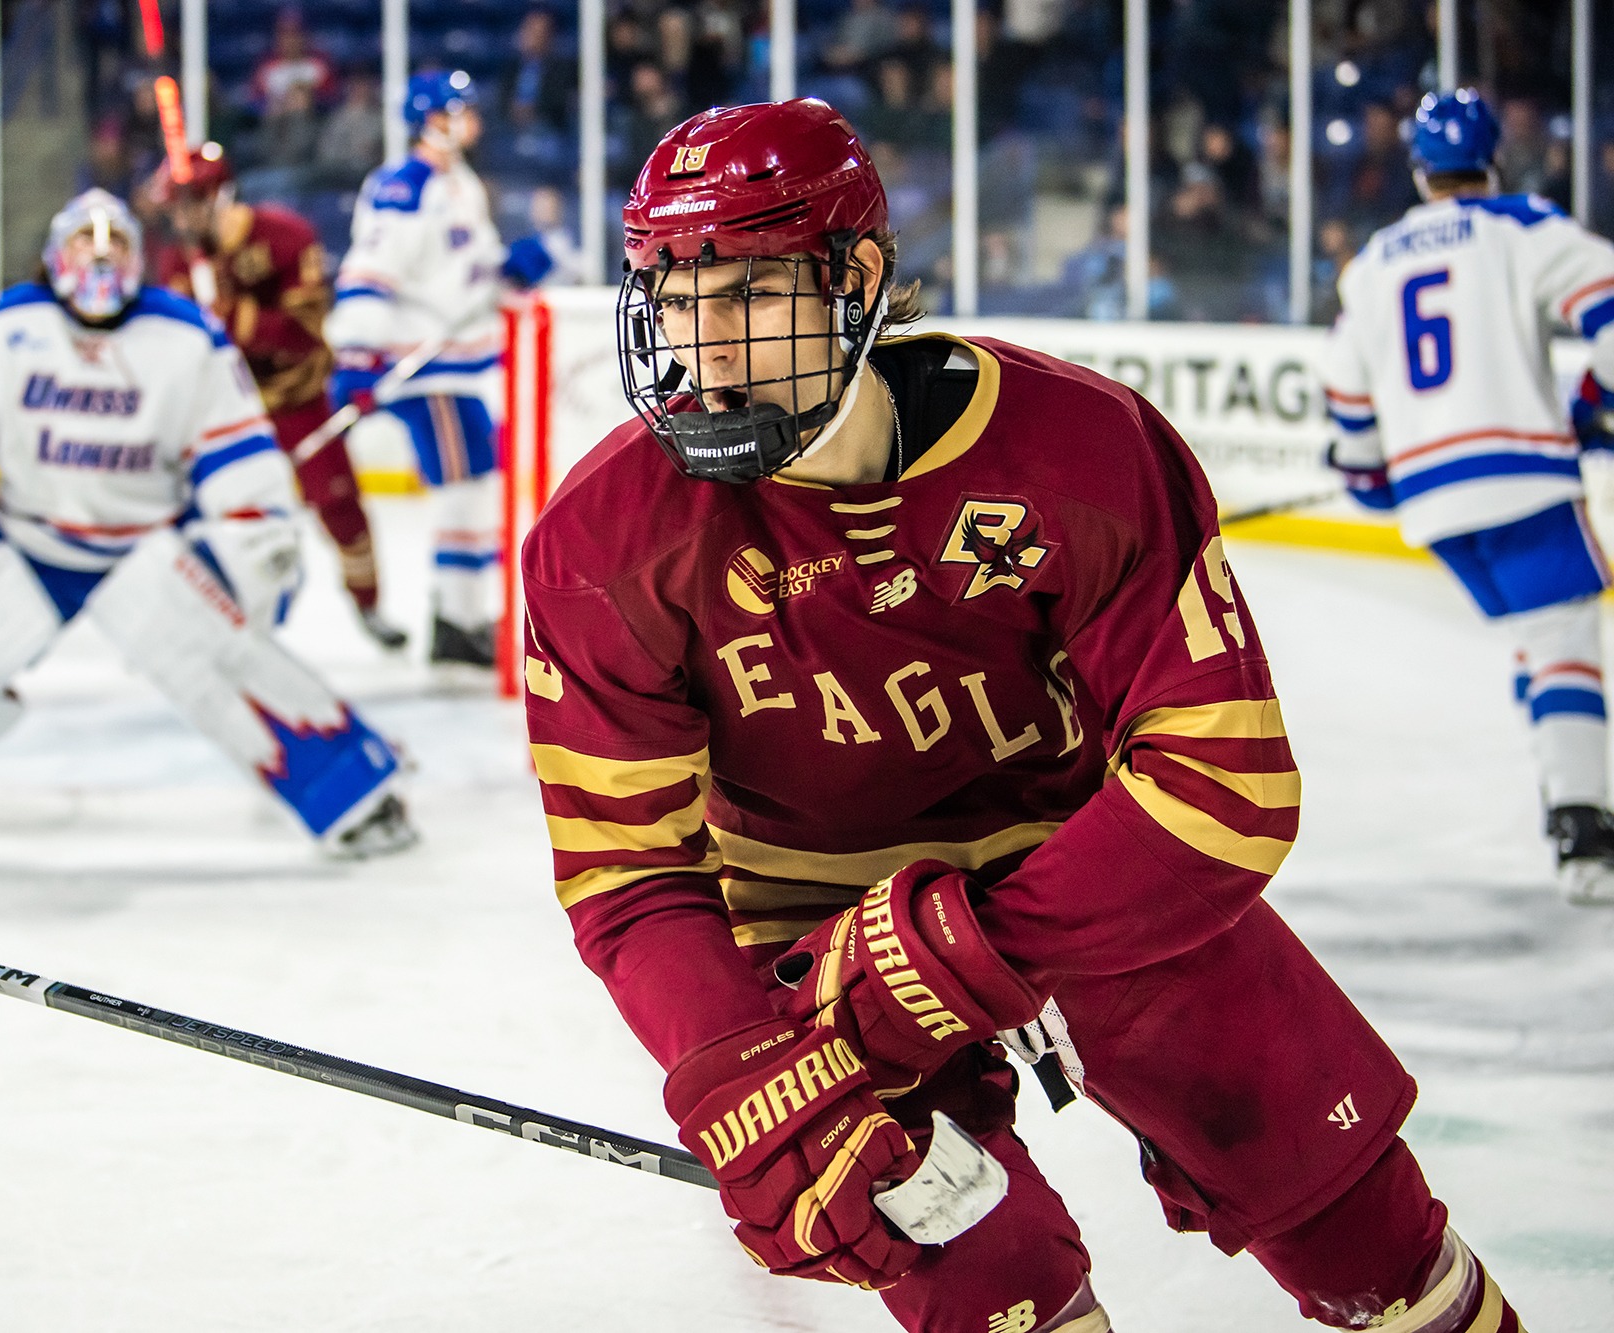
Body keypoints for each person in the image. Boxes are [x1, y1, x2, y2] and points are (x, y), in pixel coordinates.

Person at [522, 99, 1525, 1333]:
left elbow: (1221, 791)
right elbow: (629, 880)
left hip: (1102, 888)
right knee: (997, 1298)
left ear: (859, 280)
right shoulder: (602, 544)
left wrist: (953, 957)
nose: (704, 349)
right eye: (673, 298)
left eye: (745, 295)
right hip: (820, 956)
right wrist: (737, 1063)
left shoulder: (1079, 450)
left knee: (1372, 1245)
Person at [0, 188, 415, 858]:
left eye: (116, 244)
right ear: (53, 256)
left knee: (228, 669)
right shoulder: (8, 329)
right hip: (29, 544)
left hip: (144, 549)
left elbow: (236, 455)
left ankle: (355, 798)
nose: (100, 258)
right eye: (83, 244)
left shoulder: (184, 336)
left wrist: (256, 542)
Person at [1324, 88, 1614, 909]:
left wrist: (1365, 468)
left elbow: (1346, 391)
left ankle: (1566, 776)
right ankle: (1582, 830)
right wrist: (1595, 399)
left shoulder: (1374, 262)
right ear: (1493, 160)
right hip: (1522, 480)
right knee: (1564, 644)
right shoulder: (1521, 226)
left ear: (1420, 174)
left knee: (1536, 638)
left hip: (1435, 506)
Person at [325, 70, 552, 667]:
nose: (472, 119)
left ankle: (465, 616)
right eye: (461, 109)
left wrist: (511, 269)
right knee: (466, 495)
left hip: (456, 364)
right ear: (432, 119)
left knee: (477, 490)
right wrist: (355, 354)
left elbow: (464, 277)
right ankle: (458, 620)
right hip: (424, 369)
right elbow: (370, 272)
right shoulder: (405, 185)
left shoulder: (461, 183)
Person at [153, 141, 406, 650]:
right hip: (226, 411)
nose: (181, 218)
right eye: (175, 207)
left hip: (296, 399)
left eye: (191, 204)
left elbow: (305, 331)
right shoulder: (176, 263)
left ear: (222, 197)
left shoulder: (285, 238)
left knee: (338, 503)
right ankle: (216, 607)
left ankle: (368, 602)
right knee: (209, 512)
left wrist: (233, 317)